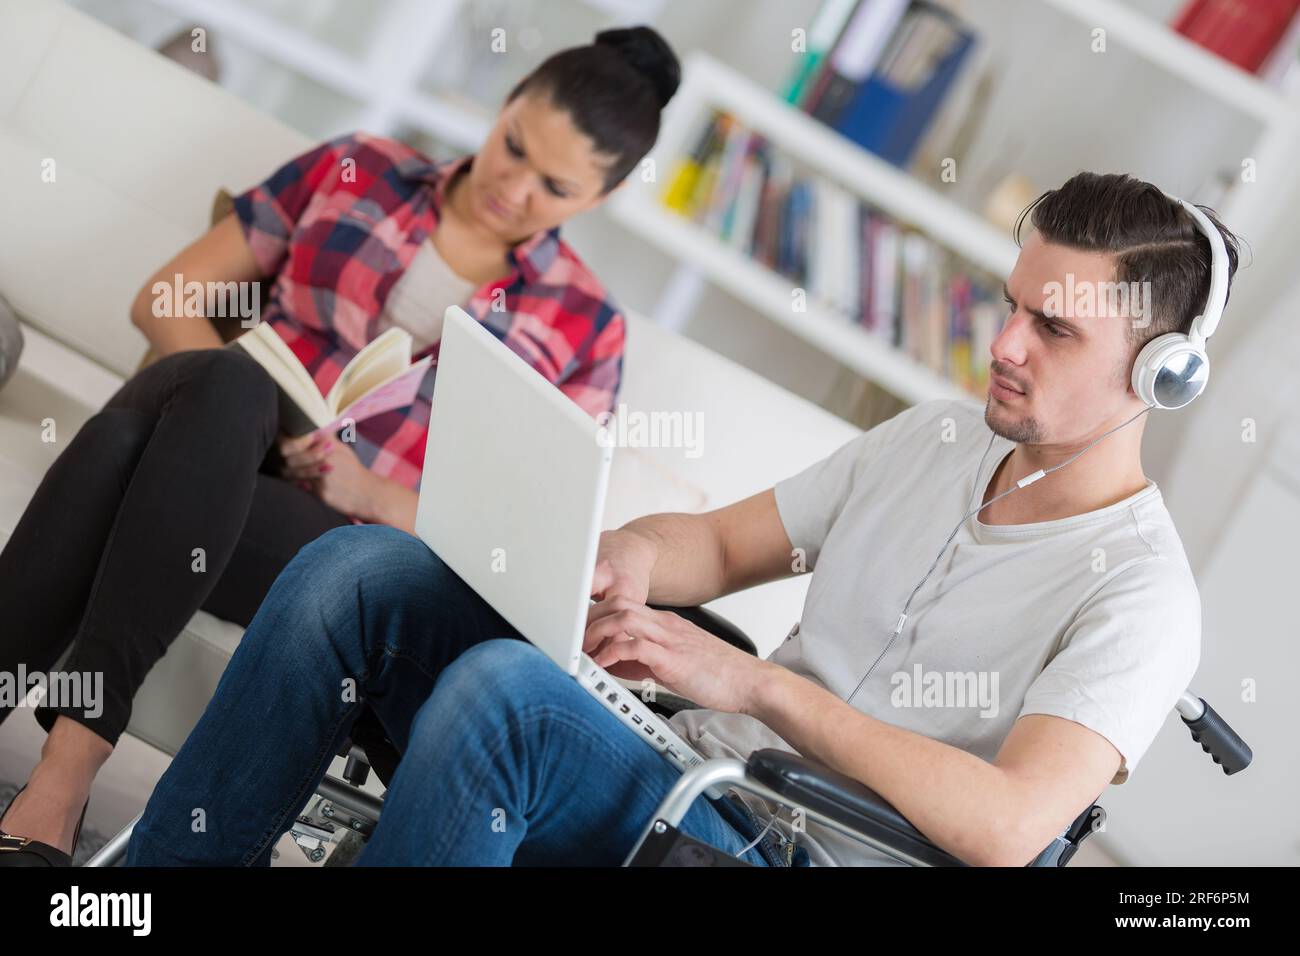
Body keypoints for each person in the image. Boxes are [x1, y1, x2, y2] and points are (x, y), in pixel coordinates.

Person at [128, 172, 1235, 867]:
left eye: (1053, 327)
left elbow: (1004, 828)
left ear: (1161, 374)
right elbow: (717, 545)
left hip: (785, 843)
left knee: (506, 698)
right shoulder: (935, 440)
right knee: (356, 571)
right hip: (689, 766)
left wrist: (752, 683)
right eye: (1008, 304)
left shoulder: (1137, 596)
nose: (1002, 343)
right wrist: (623, 556)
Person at [0, 27, 681, 867]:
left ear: (598, 199)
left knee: (119, 449)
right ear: (504, 107)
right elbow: (167, 300)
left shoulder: (586, 325)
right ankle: (61, 788)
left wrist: (369, 495)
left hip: (329, 551)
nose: (513, 186)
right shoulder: (360, 167)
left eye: (555, 186)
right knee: (234, 384)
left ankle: (62, 774)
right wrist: (267, 415)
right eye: (512, 147)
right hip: (217, 431)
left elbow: (522, 536)